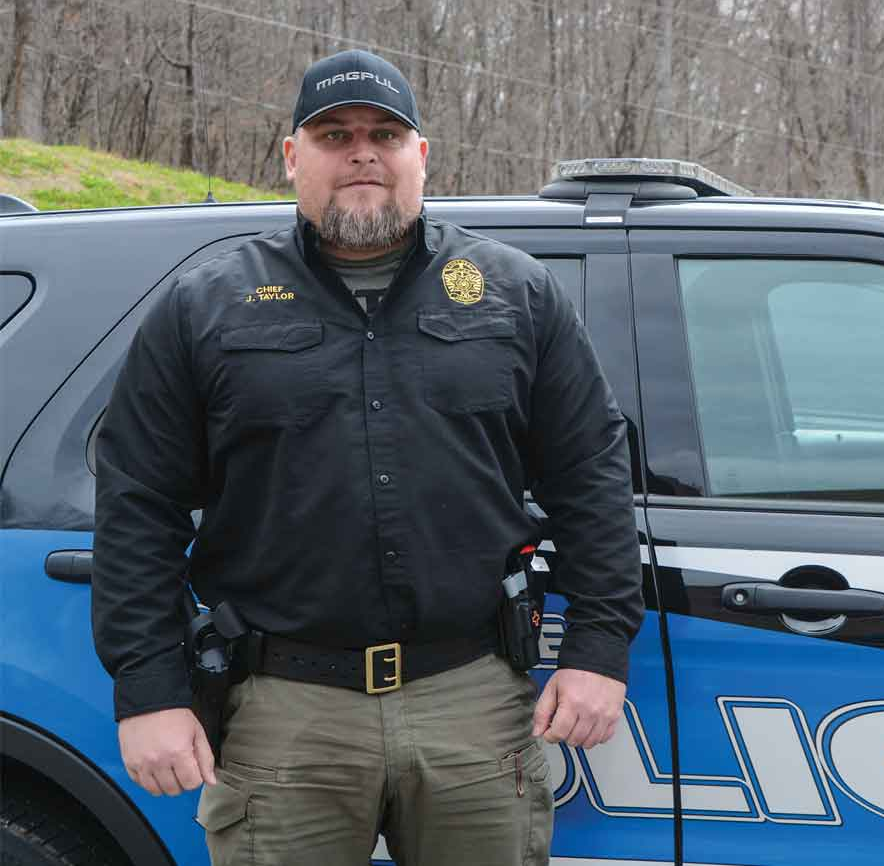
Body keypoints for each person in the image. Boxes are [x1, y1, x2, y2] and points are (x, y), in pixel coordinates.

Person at [92, 48, 644, 866]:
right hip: (283, 708)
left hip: (472, 700)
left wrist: (600, 649)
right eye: (335, 135)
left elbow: (591, 475)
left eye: (385, 134)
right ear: (292, 157)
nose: (362, 153)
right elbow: (139, 503)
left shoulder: (516, 293)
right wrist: (148, 689)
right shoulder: (205, 305)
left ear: (421, 155)